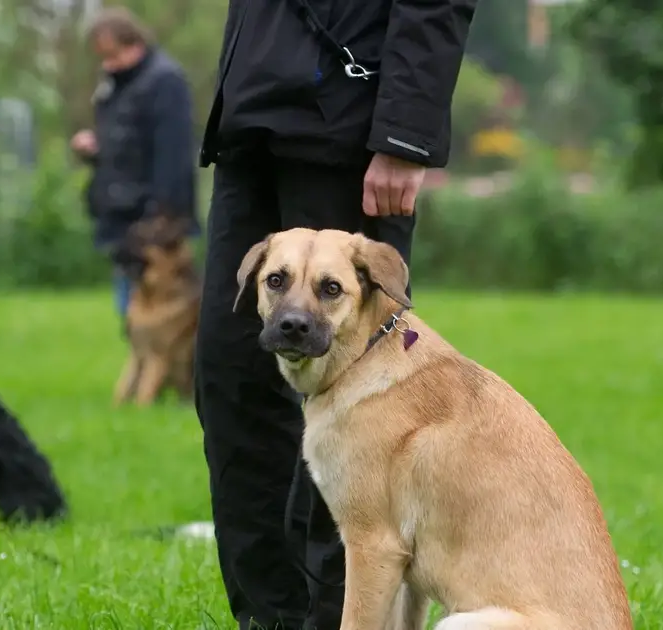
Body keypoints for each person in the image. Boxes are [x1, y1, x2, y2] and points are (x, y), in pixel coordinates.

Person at [193, 0, 477, 628]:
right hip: (249, 124)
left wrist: (406, 132)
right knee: (229, 380)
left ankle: (332, 619)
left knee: (360, 410)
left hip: (350, 121)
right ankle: (269, 618)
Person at [70, 7, 199, 321]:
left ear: (134, 43)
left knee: (159, 317)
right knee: (131, 313)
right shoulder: (116, 84)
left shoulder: (165, 82)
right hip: (122, 216)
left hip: (151, 222)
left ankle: (165, 370)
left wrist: (162, 217)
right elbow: (126, 145)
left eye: (112, 54)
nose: (107, 63)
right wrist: (95, 149)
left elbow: (175, 153)